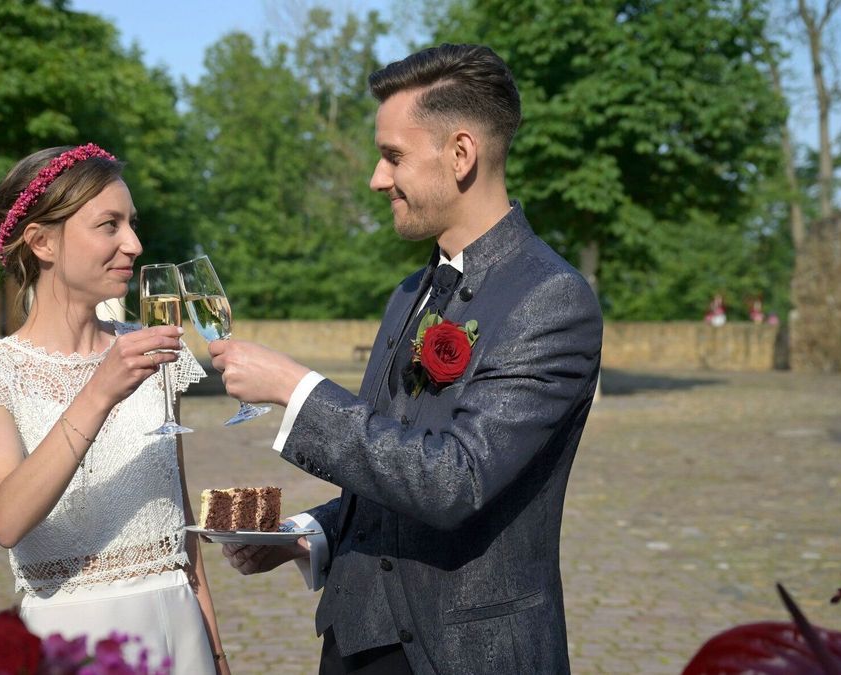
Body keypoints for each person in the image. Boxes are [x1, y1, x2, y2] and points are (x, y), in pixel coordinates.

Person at [210, 44, 603, 674]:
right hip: (356, 645)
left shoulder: (551, 299)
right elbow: (398, 461)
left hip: (468, 656)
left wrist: (296, 388)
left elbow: (457, 479)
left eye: (393, 156)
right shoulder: (410, 293)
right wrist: (308, 534)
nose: (376, 177)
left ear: (461, 154)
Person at [0, 144, 228, 673]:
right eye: (109, 225)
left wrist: (213, 649)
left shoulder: (152, 351)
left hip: (177, 624)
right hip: (73, 640)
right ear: (42, 242)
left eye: (132, 223)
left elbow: (181, 523)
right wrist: (100, 391)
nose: (134, 243)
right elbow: (6, 519)